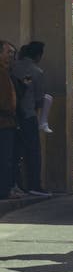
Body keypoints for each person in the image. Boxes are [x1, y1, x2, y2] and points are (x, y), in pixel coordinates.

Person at [11, 41, 50, 196]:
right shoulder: (36, 71)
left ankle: (16, 183)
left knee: (14, 152)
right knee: (33, 151)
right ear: (38, 55)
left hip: (12, 115)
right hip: (28, 114)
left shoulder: (13, 68)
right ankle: (34, 184)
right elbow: (40, 99)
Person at [0, 39, 17, 200]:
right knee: (5, 158)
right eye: (7, 53)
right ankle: (4, 190)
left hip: (7, 121)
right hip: (4, 121)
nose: (10, 56)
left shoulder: (6, 72)